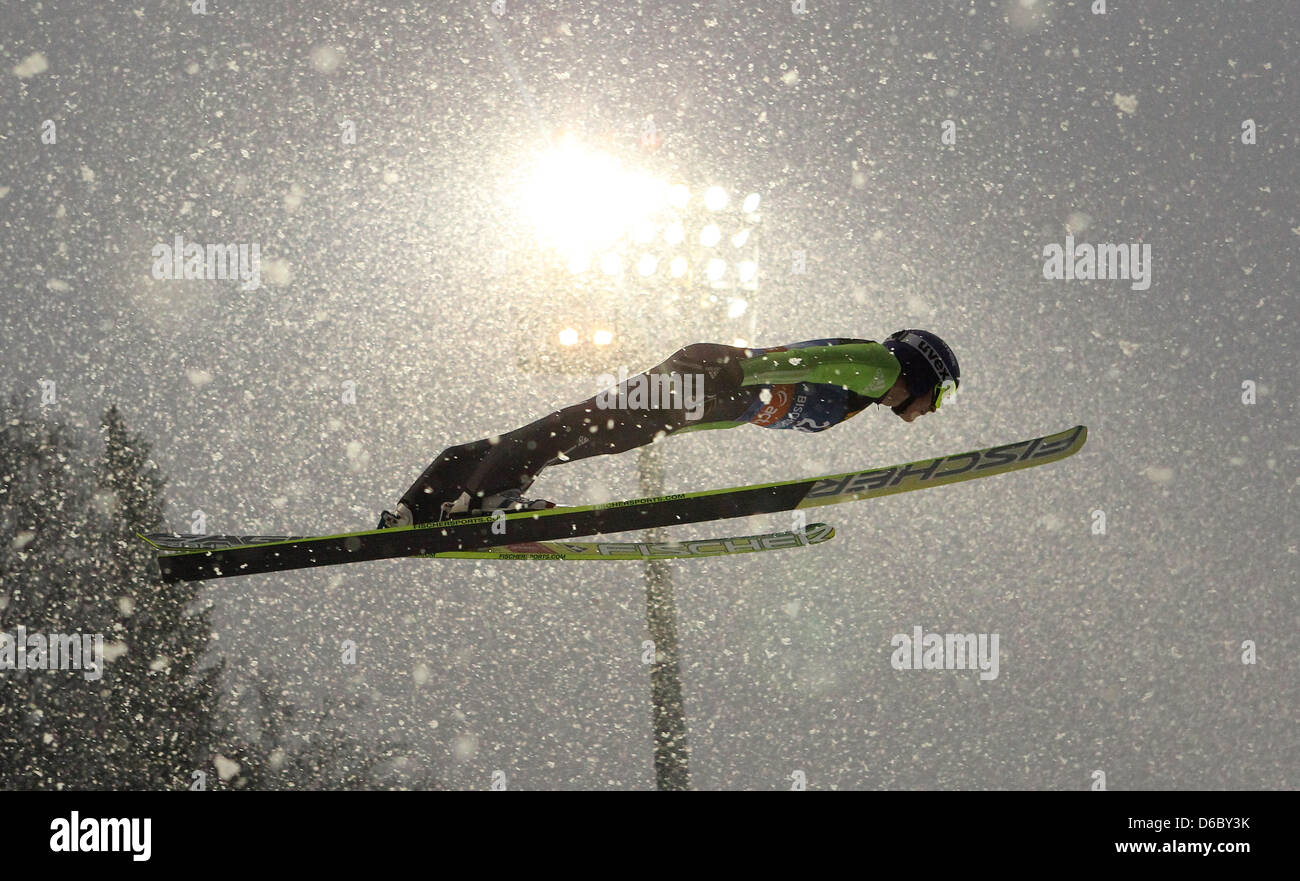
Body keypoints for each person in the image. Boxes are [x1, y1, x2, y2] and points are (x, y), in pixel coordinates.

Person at [377, 330, 960, 528]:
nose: (934, 410)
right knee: (573, 430)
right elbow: (803, 359)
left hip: (697, 397)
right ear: (926, 371)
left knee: (573, 433)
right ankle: (478, 501)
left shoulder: (864, 395)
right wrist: (733, 371)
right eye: (944, 396)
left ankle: (426, 503)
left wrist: (686, 415)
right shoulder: (880, 367)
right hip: (707, 380)